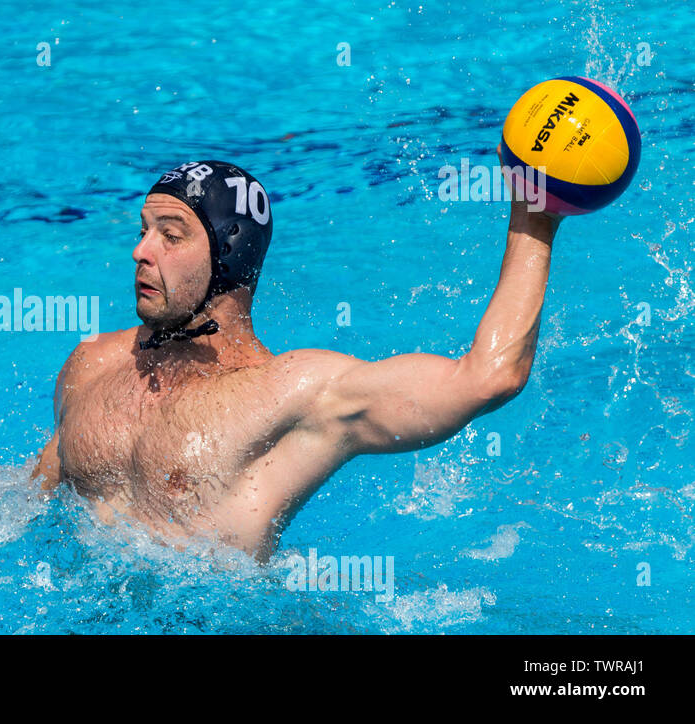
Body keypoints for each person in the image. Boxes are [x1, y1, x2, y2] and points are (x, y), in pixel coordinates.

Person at [31, 160, 560, 560]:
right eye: (142, 230)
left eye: (170, 235)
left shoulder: (295, 393)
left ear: (227, 254)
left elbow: (489, 377)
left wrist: (535, 216)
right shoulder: (95, 362)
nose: (140, 251)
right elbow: (25, 501)